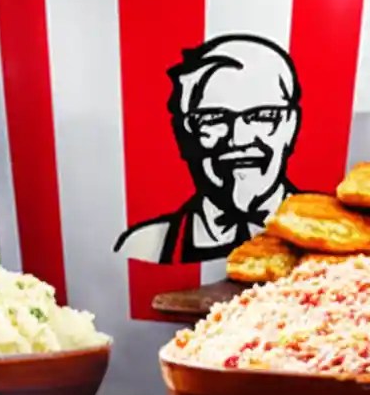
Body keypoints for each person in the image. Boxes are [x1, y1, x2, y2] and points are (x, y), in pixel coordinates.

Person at [115, 34, 301, 263]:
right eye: (213, 118)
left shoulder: (332, 234)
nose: (239, 139)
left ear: (291, 126)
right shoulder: (144, 246)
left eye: (263, 116)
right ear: (184, 135)